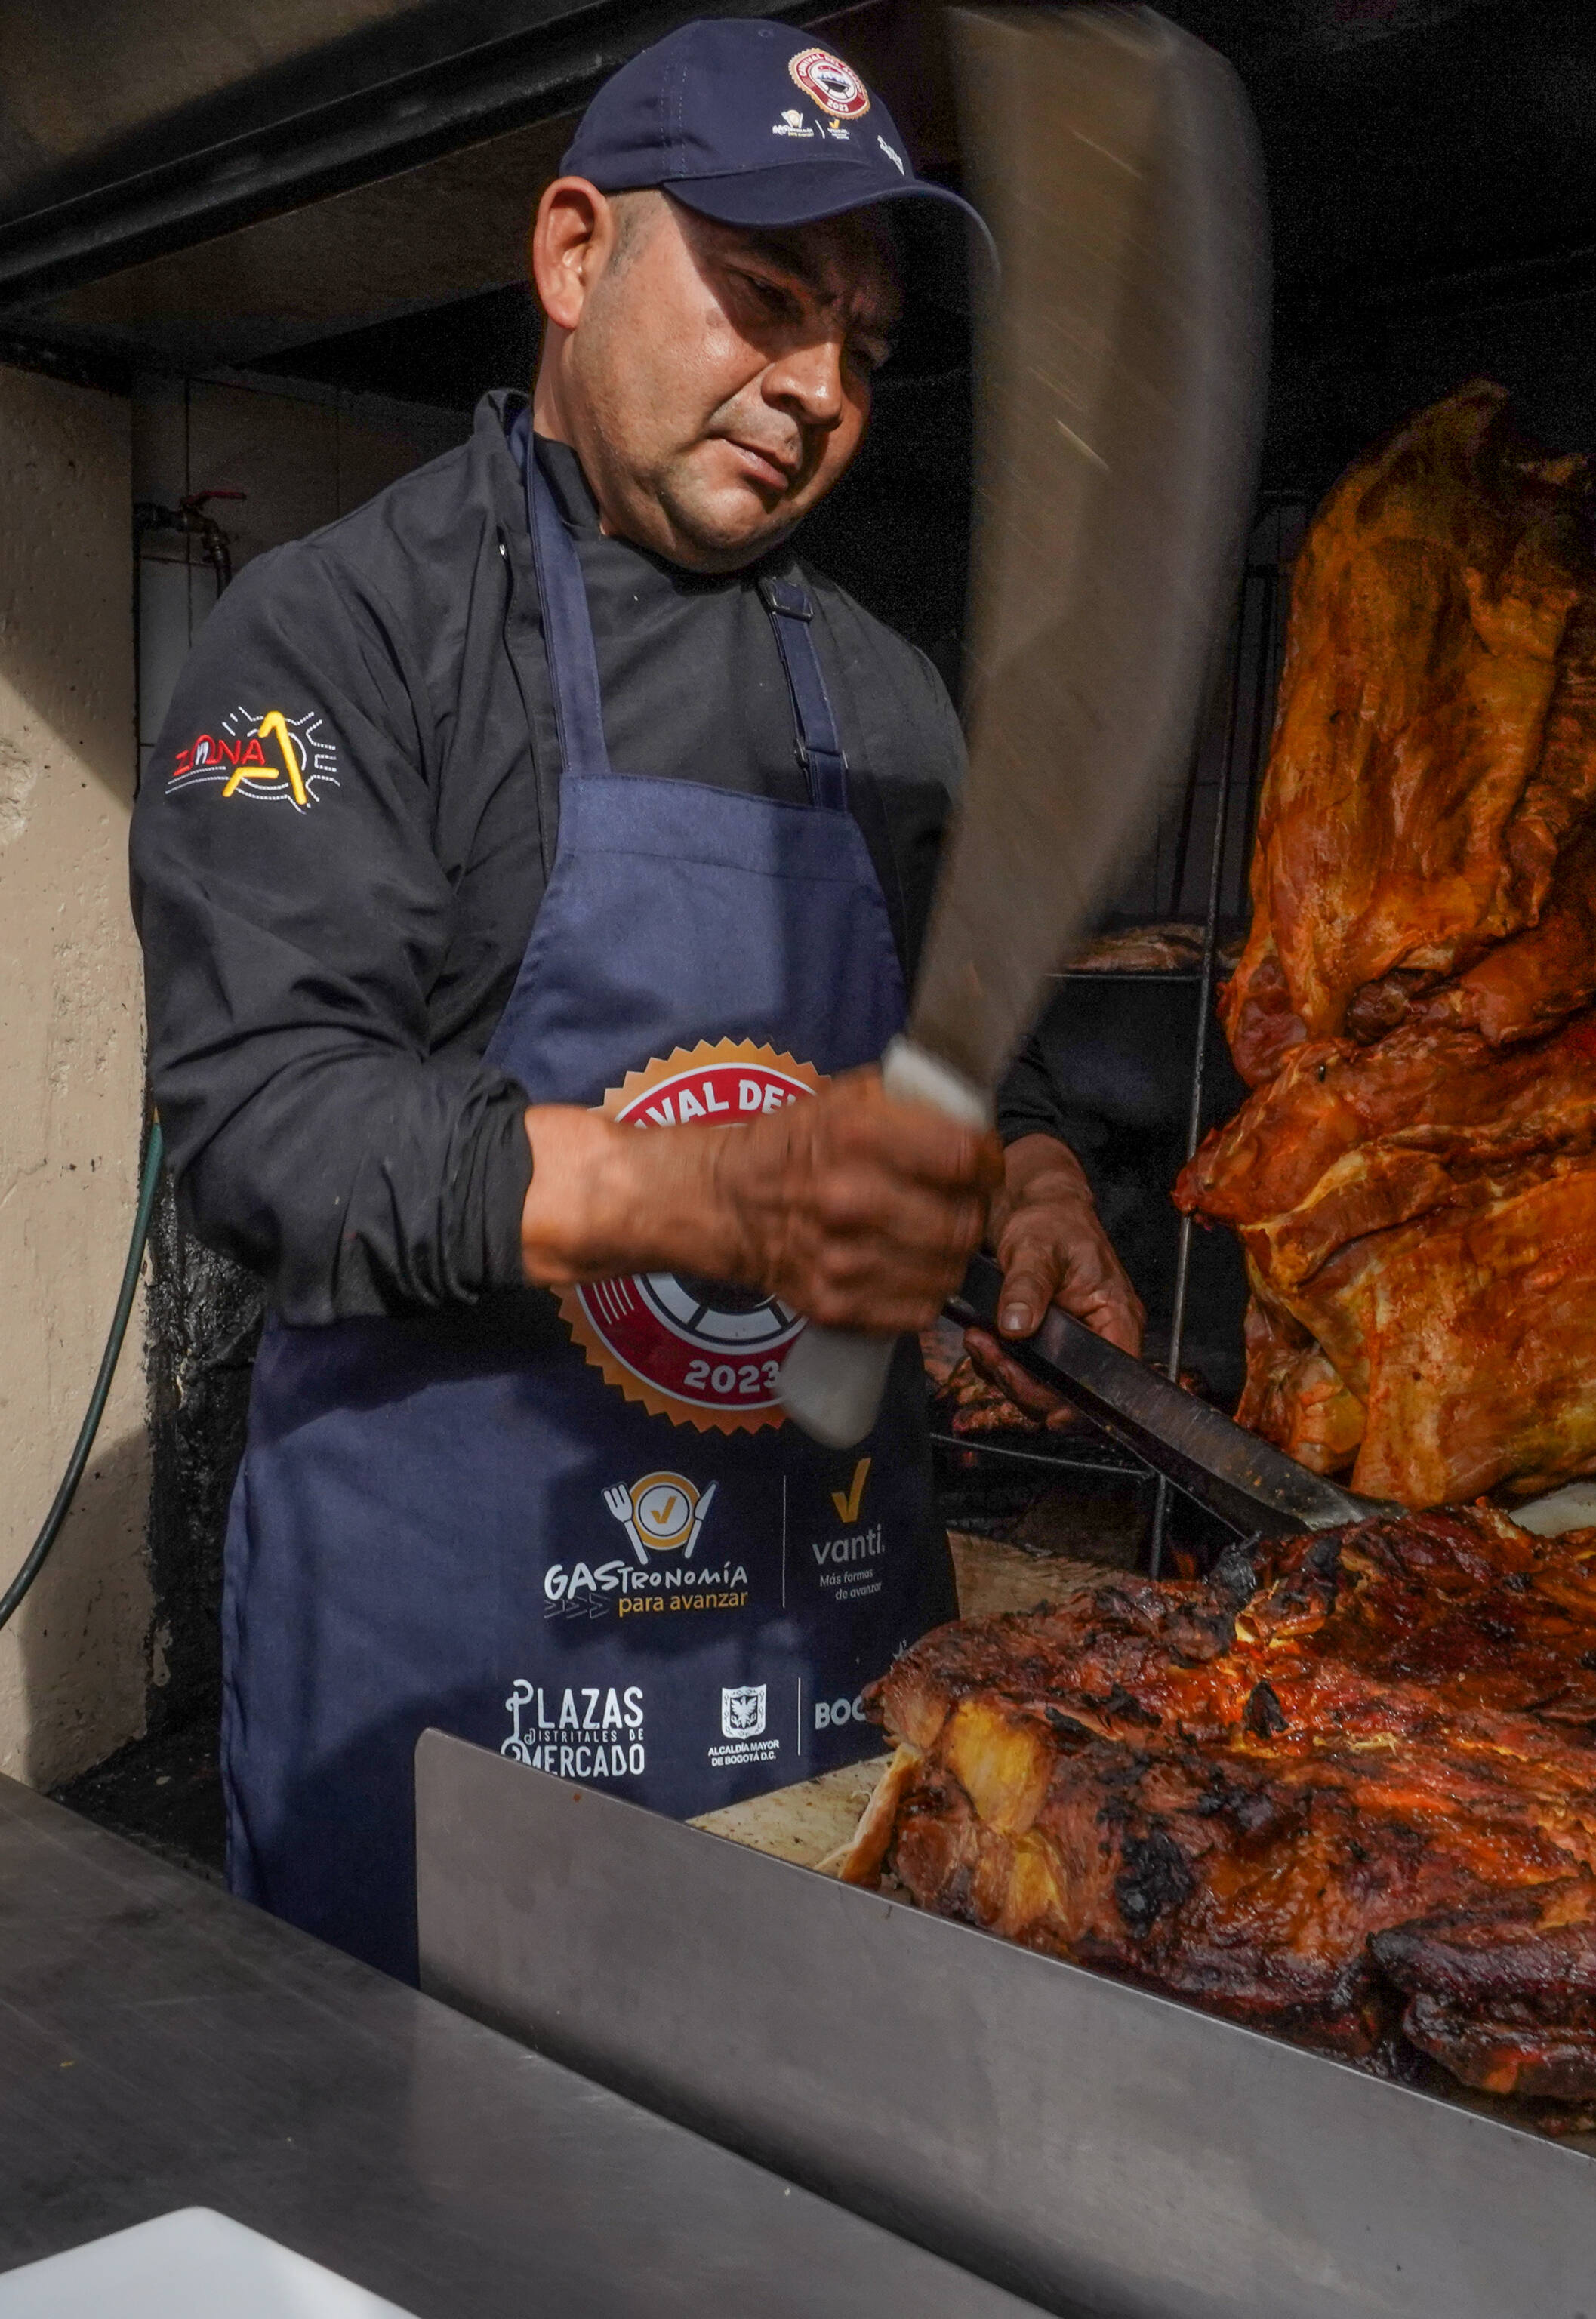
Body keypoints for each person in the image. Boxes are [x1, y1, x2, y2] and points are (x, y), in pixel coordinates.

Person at [128, 18, 1142, 1980]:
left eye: (867, 344)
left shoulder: (897, 702)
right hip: (445, 1711)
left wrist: (1014, 1180)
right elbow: (266, 1129)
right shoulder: (338, 639)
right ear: (576, 253)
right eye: (768, 299)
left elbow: (963, 1071)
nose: (820, 386)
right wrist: (705, 1202)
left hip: (826, 1678)